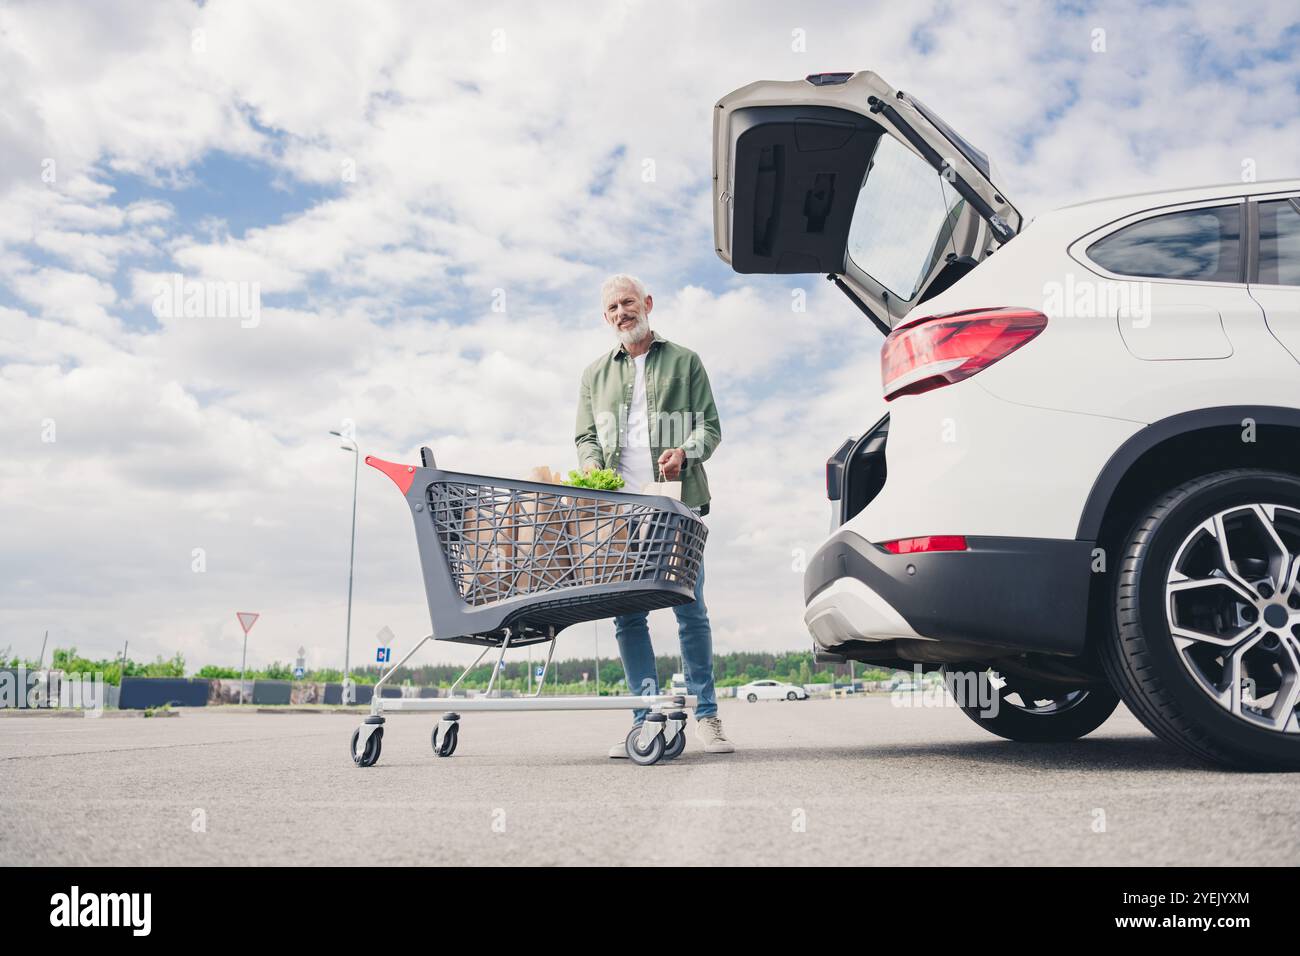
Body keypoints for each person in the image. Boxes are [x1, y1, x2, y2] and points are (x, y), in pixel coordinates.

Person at [575, 273, 733, 756]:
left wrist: (685, 452)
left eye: (628, 302)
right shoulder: (594, 374)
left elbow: (710, 426)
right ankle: (644, 721)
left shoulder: (685, 361)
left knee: (690, 609)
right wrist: (592, 469)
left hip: (675, 505)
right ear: (606, 318)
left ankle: (707, 716)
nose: (622, 312)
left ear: (647, 303)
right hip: (619, 513)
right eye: (612, 308)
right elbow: (585, 438)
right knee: (628, 617)